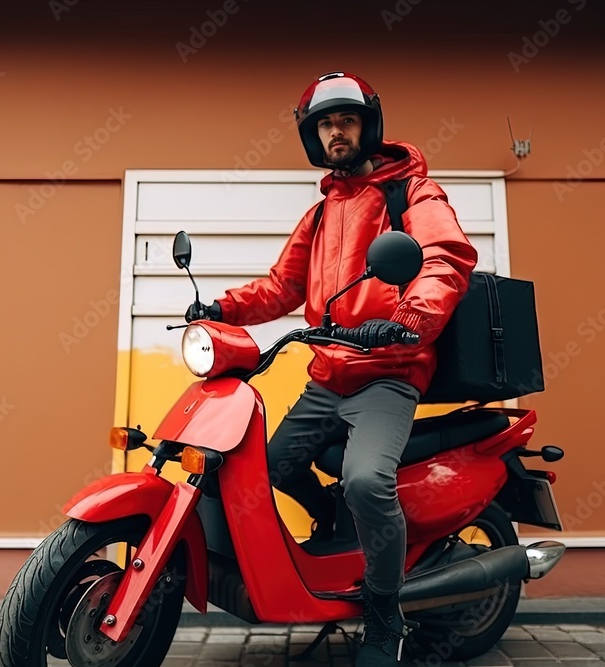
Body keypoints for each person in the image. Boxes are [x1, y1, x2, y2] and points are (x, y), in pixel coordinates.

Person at [186, 72, 477, 666]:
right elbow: (282, 286)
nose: (335, 132)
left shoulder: (412, 193)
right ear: (313, 137)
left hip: (388, 371)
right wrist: (221, 307)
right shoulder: (320, 214)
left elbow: (445, 259)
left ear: (368, 127)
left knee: (366, 481)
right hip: (327, 375)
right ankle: (336, 527)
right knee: (266, 466)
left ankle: (384, 615)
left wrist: (408, 320)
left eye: (346, 120)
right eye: (325, 124)